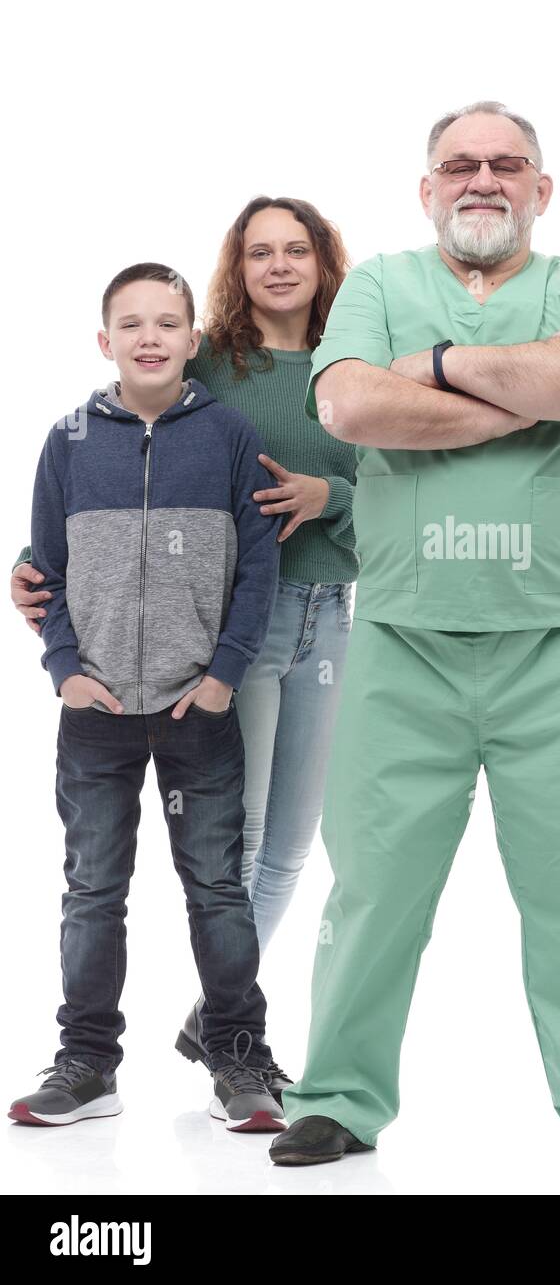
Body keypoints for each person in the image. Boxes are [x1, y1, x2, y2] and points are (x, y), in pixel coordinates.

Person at [268, 100, 560, 1186]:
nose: (483, 179)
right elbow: (352, 405)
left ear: (540, 190)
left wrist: (439, 365)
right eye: (460, 164)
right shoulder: (375, 284)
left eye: (508, 164)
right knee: (371, 890)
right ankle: (339, 1098)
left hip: (556, 641)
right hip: (406, 639)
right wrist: (520, 395)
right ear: (427, 189)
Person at [10, 197, 356, 1103]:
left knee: (281, 849)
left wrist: (336, 500)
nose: (278, 266)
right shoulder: (204, 367)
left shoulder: (354, 364)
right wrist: (50, 623)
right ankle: (140, 1051)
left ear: (325, 260)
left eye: (296, 249)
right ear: (233, 272)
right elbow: (80, 513)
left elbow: (393, 486)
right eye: (258, 252)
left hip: (316, 616)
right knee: (182, 867)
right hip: (207, 643)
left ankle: (220, 1031)